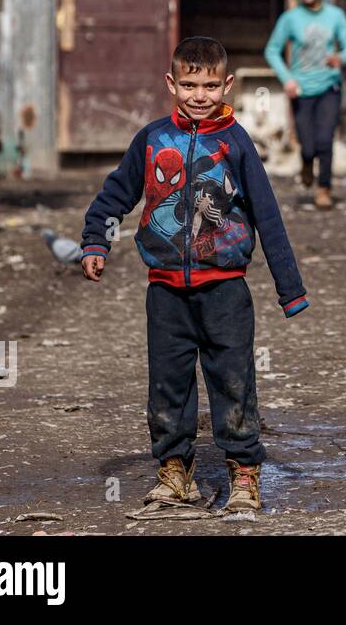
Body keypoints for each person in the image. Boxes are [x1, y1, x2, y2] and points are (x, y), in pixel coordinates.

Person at [80, 36, 309, 514]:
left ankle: (244, 474)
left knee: (234, 380)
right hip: (164, 292)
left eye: (209, 85)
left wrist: (290, 289)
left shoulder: (236, 143)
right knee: (167, 384)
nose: (199, 95)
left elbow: (267, 215)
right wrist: (97, 240)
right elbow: (115, 195)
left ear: (227, 85)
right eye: (188, 84)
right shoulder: (151, 139)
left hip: (225, 290)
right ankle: (174, 472)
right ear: (171, 84)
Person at [264, 0, 346, 210]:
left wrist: (340, 58)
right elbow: (272, 50)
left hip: (329, 87)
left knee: (325, 141)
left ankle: (324, 189)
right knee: (308, 146)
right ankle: (306, 164)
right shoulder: (290, 19)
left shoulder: (335, 16)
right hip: (301, 90)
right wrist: (288, 80)